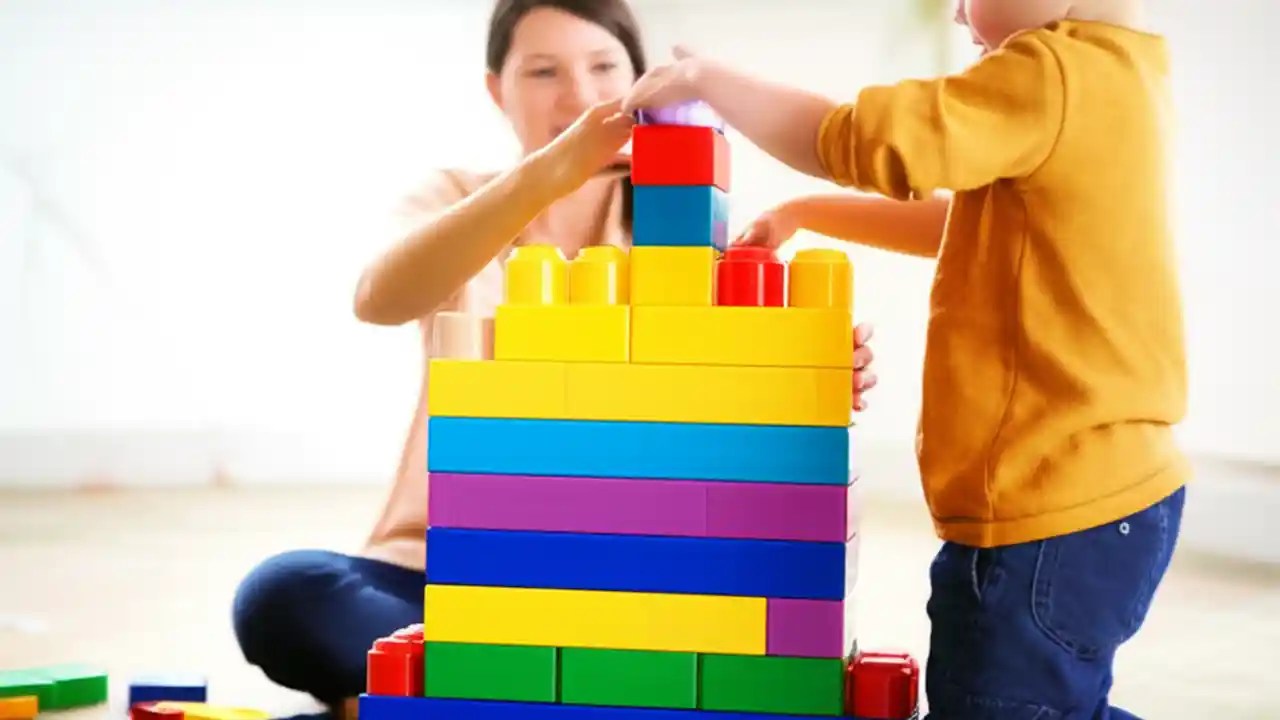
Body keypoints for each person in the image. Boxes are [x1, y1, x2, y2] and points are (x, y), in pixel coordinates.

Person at [230, 1, 878, 718]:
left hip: (616, 585)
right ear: (496, 90)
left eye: (604, 68)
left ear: (640, 82)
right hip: (444, 574)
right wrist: (548, 174)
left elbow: (729, 440)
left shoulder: (683, 237)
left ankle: (441, 697)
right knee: (282, 597)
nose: (579, 96)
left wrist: (804, 377)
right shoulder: (456, 198)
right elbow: (378, 296)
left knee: (758, 650)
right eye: (544, 72)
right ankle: (512, 687)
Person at [623, 0, 1189, 717]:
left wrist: (709, 77)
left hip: (1048, 509)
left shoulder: (1051, 72)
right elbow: (976, 216)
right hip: (1113, 491)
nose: (956, 12)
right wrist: (807, 211)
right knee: (1045, 700)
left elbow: (865, 139)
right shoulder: (1120, 75)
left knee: (995, 703)